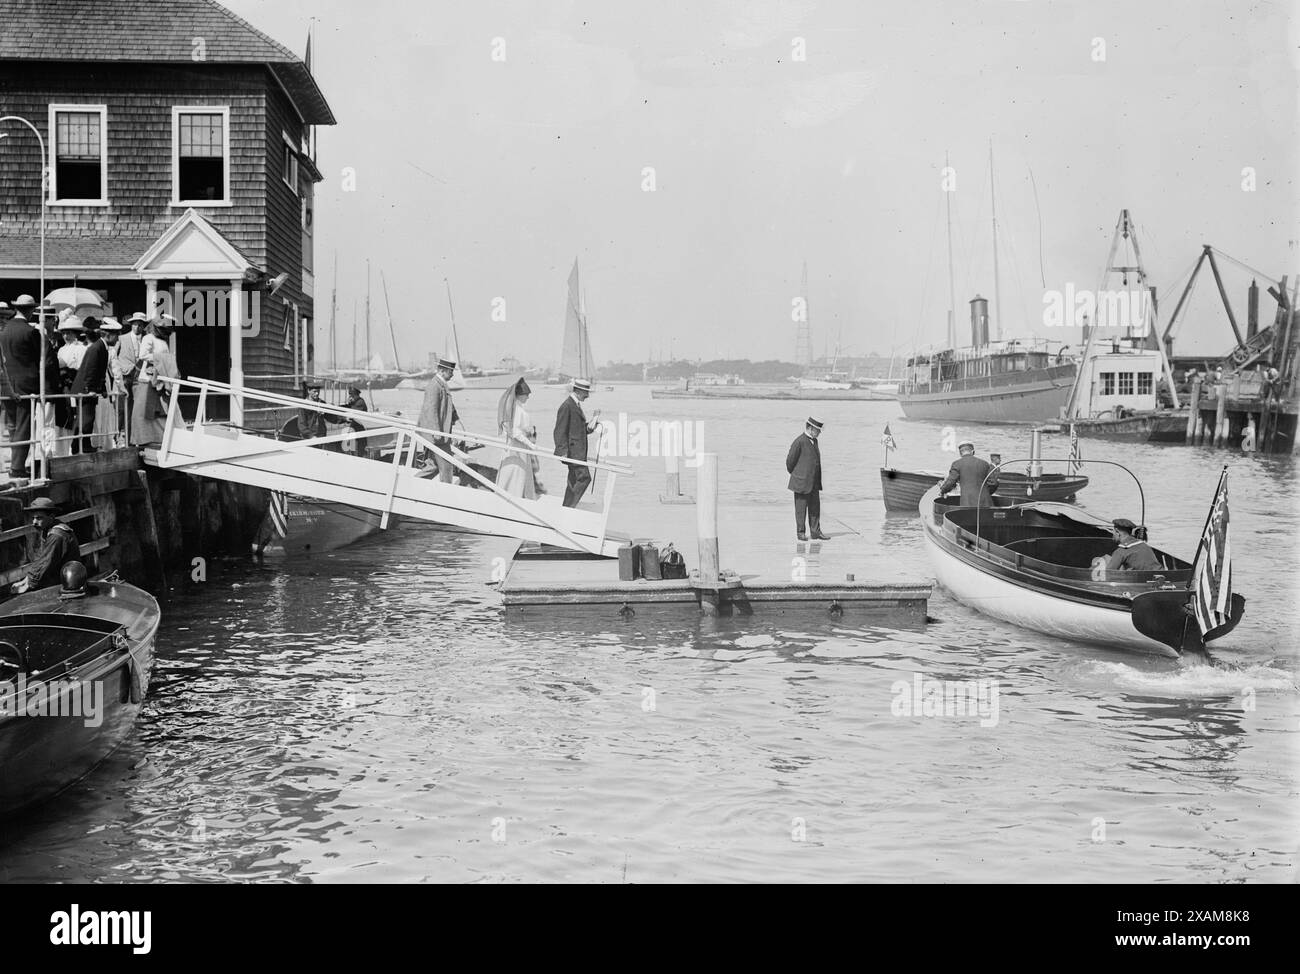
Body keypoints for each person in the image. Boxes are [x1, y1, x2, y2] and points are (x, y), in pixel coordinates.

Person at [0, 301, 44, 482]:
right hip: (26, 385)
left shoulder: (5, 330)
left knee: (11, 425)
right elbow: (38, 358)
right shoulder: (31, 331)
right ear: (31, 311)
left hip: (6, 384)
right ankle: (17, 467)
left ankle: (12, 461)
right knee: (24, 426)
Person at [10, 497, 79, 594]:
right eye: (33, 518)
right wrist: (27, 579)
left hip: (67, 584)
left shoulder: (56, 536)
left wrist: (29, 584)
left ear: (51, 517)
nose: (34, 522)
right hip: (58, 579)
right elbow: (41, 559)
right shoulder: (48, 529)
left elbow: (46, 561)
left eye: (39, 518)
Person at [70, 317, 117, 453]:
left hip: (89, 389)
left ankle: (82, 446)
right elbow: (90, 370)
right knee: (85, 420)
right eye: (116, 336)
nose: (117, 339)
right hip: (85, 390)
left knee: (87, 420)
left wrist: (102, 389)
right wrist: (89, 390)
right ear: (109, 335)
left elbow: (100, 373)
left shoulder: (102, 347)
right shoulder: (97, 348)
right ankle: (79, 447)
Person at [553, 378, 600, 507]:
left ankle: (567, 507)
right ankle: (569, 507)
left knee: (573, 480)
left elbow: (579, 430)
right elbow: (559, 430)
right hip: (573, 453)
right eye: (587, 393)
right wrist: (562, 451)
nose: (588, 396)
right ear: (579, 391)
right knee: (584, 478)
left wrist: (593, 422)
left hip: (578, 452)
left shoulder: (575, 405)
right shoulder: (567, 406)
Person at [131, 318, 177, 447]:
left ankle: (158, 437)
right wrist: (161, 359)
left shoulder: (163, 341)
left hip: (161, 377)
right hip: (148, 377)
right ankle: (142, 438)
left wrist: (166, 361)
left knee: (160, 410)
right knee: (144, 409)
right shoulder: (148, 338)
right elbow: (143, 355)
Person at [417, 357, 461, 482]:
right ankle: (446, 496)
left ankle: (413, 485)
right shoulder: (434, 386)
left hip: (440, 434)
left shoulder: (441, 385)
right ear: (442, 371)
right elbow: (431, 411)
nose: (452, 375)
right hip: (436, 435)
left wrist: (455, 420)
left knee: (433, 466)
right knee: (446, 466)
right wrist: (436, 433)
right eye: (450, 372)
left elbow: (448, 407)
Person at [786, 417, 828, 540]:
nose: (819, 433)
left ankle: (816, 532)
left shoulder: (815, 441)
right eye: (818, 430)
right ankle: (801, 533)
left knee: (815, 508)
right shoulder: (799, 441)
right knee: (801, 510)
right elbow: (789, 463)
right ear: (810, 428)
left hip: (814, 483)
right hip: (800, 483)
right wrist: (799, 475)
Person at [495, 377, 537, 498]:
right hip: (517, 446)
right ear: (520, 395)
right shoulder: (517, 410)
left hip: (518, 445)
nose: (528, 397)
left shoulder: (517, 408)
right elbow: (514, 431)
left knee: (519, 472)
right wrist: (530, 444)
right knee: (516, 471)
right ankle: (514, 495)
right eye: (526, 395)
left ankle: (516, 494)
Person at [112, 312, 147, 442]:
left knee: (134, 410)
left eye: (140, 325)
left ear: (143, 326)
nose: (137, 327)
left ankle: (130, 438)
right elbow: (113, 356)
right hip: (124, 376)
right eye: (135, 324)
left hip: (138, 378)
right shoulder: (122, 338)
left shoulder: (146, 339)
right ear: (131, 325)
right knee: (121, 408)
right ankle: (115, 436)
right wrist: (118, 371)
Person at [938, 439, 999, 506]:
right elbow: (994, 483)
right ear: (973, 452)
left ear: (960, 453)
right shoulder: (984, 464)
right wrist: (985, 493)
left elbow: (950, 483)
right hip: (986, 503)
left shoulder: (957, 464)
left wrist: (942, 491)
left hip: (967, 504)